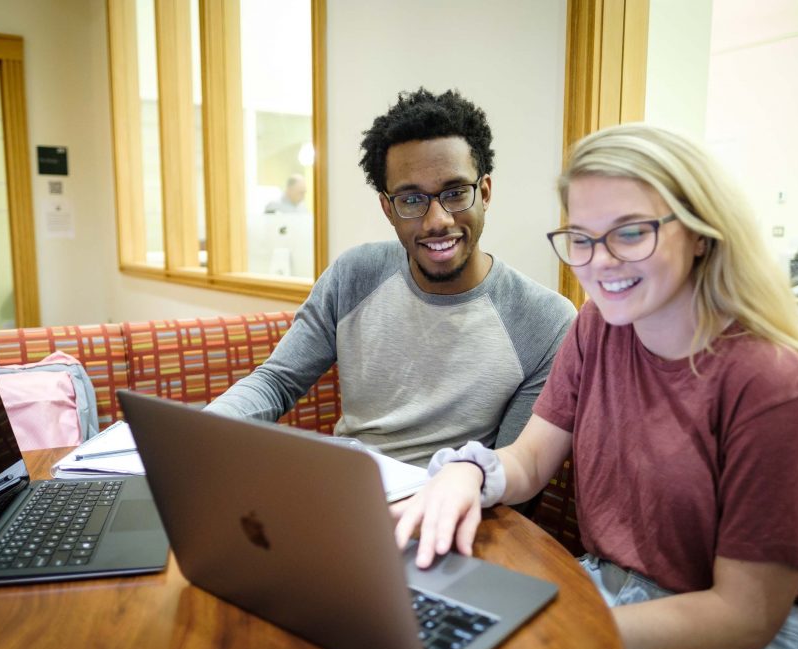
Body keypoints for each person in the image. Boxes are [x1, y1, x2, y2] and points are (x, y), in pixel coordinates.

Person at [393, 123, 798, 649]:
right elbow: (531, 460)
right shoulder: (599, 325)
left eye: (630, 233)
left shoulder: (771, 383)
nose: (600, 262)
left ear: (702, 233)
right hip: (608, 592)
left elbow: (745, 615)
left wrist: (561, 623)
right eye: (581, 238)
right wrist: (468, 470)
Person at [207, 88, 576, 466]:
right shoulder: (354, 275)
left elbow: (513, 471)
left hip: (448, 509)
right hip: (346, 494)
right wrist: (202, 429)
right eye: (412, 200)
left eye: (454, 192)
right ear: (388, 208)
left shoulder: (544, 321)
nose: (438, 221)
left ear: (484, 192)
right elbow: (277, 382)